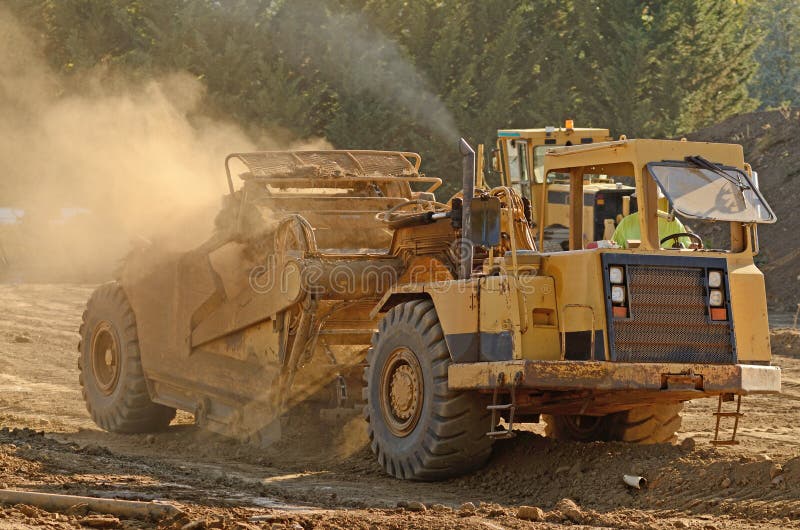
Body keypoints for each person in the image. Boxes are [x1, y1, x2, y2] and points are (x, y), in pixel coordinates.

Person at [612, 190, 693, 249]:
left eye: (651, 199)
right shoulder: (626, 223)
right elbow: (613, 248)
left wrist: (692, 246)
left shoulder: (673, 223)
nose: (647, 202)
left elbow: (688, 247)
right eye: (644, 198)